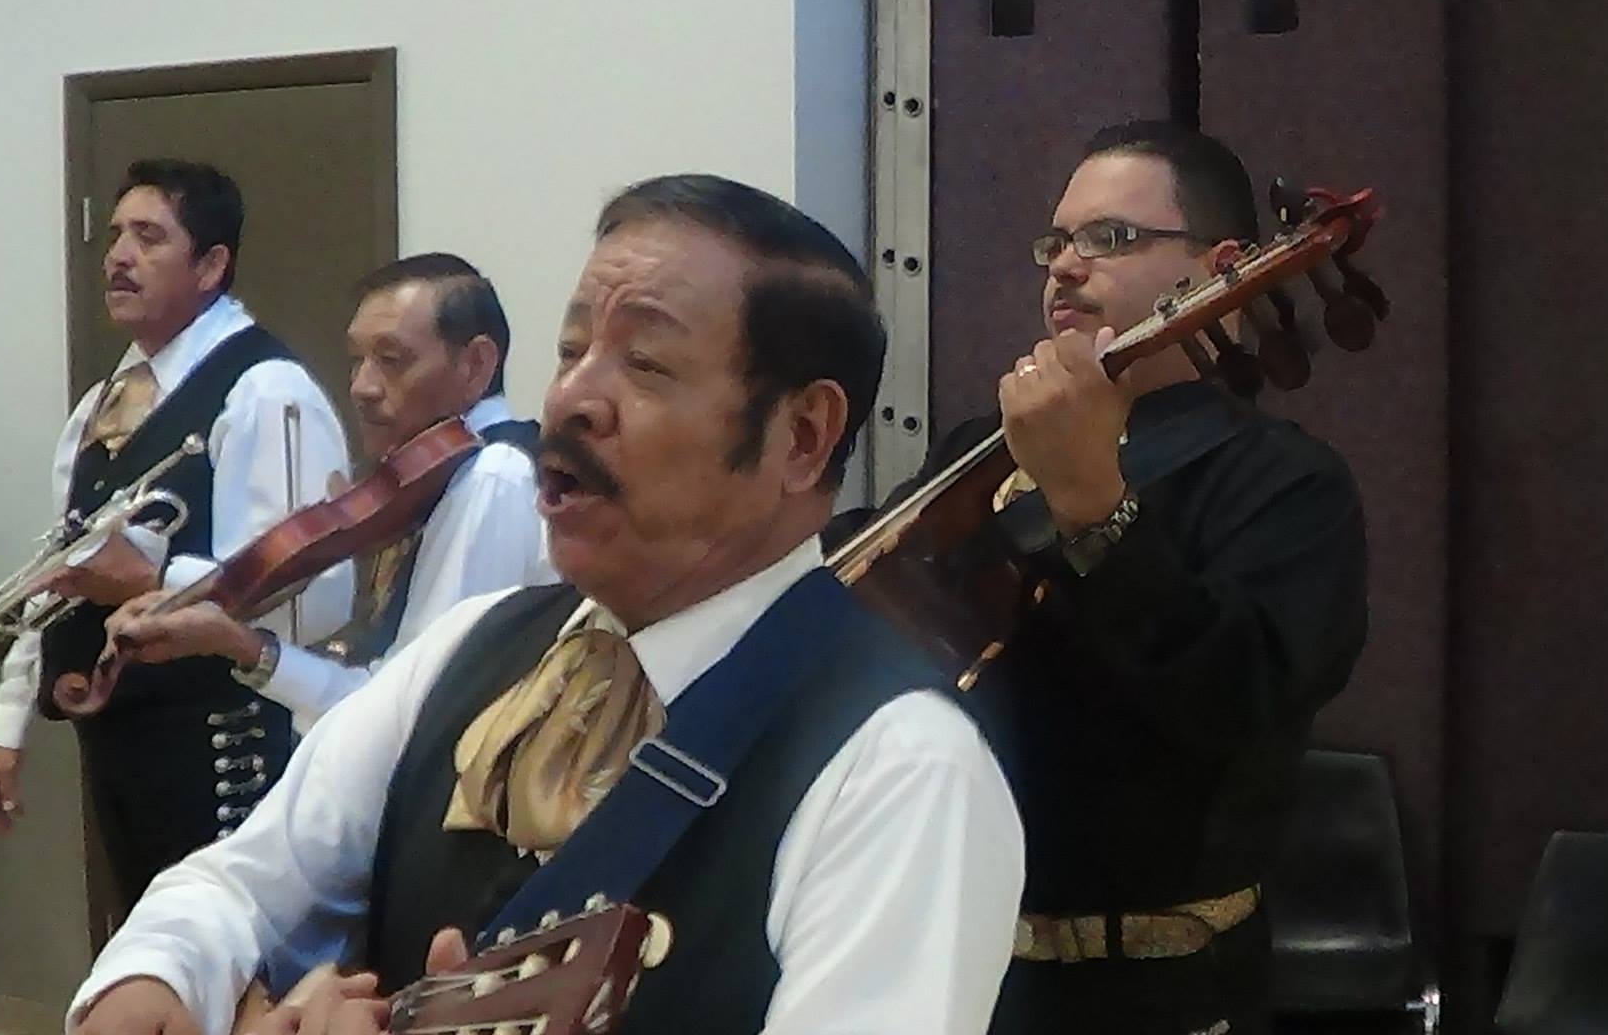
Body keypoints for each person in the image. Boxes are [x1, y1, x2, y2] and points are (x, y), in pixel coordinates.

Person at [68, 174, 1024, 1035]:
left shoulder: (900, 768)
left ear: (803, 437)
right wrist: (152, 976)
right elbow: (240, 880)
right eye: (571, 350)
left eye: (644, 364)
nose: (571, 399)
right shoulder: (469, 648)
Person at [831, 121, 1368, 1035]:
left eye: (1109, 239)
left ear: (1219, 266)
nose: (1065, 266)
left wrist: (1093, 507)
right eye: (1057, 242)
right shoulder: (986, 451)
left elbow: (1235, 695)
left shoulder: (1286, 484)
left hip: (1160, 993)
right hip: (960, 973)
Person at [0, 159, 354, 915]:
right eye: (115, 234)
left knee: (224, 967)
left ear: (213, 264)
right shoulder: (102, 403)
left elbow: (310, 596)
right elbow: (54, 572)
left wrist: (154, 582)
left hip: (226, 742)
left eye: (149, 237)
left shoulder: (264, 388)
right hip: (119, 738)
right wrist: (7, 723)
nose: (118, 255)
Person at [107, 253, 554, 735]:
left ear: (475, 365)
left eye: (392, 360)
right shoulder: (444, 478)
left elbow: (414, 713)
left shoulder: (493, 477)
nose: (361, 387)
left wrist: (245, 647)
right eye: (357, 360)